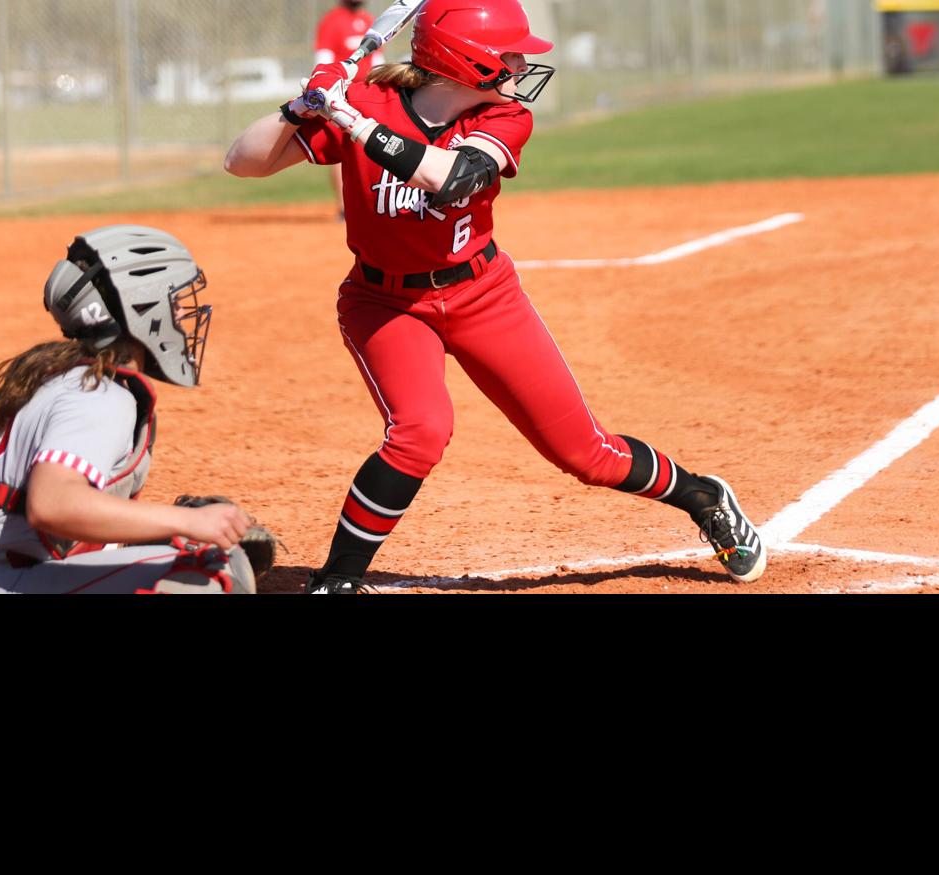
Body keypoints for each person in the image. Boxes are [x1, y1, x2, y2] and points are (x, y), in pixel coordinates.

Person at [222, 0, 765, 594]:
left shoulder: (503, 117)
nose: (519, 63)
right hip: (385, 304)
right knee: (419, 432)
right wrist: (300, 106)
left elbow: (450, 178)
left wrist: (350, 122)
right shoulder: (368, 101)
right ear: (465, 59)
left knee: (588, 455)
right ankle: (341, 579)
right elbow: (242, 163)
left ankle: (701, 494)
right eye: (509, 53)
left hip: (484, 296)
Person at [0, 225, 261, 594]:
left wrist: (170, 528)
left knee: (204, 547)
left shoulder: (70, 378)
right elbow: (53, 504)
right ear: (141, 307)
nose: (182, 312)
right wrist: (184, 521)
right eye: (173, 299)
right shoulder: (99, 397)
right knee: (209, 577)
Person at [314, 1, 375, 219]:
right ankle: (344, 208)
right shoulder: (333, 20)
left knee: (372, 145)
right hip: (342, 95)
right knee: (341, 148)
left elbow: (377, 59)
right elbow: (323, 60)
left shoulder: (368, 20)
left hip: (369, 93)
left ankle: (371, 202)